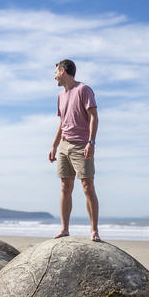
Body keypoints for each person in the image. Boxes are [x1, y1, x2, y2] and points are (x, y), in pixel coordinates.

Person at [48, 59, 101, 242]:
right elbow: (62, 123)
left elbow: (94, 117)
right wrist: (54, 145)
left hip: (81, 145)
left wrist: (91, 142)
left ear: (63, 71)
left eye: (55, 71)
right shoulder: (60, 96)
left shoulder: (84, 90)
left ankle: (94, 230)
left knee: (88, 186)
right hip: (64, 145)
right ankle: (64, 229)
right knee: (65, 187)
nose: (54, 76)